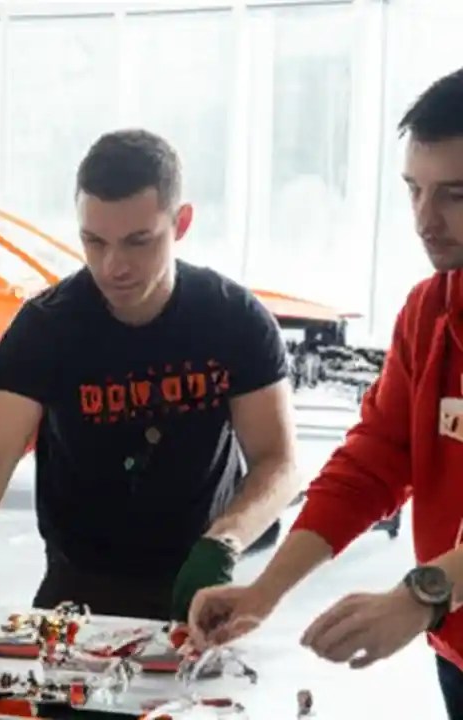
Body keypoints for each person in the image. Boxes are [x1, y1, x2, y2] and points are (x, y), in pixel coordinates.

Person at [0, 129, 298, 623]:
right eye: (93, 242)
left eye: (139, 241)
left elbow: (278, 462)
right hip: (76, 586)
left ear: (180, 223)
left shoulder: (235, 319)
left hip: (200, 581)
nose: (113, 266)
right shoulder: (48, 325)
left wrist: (226, 541)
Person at [187, 67, 463, 719]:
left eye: (455, 194)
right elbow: (372, 464)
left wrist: (421, 593)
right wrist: (264, 591)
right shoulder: (429, 312)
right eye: (413, 191)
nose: (425, 220)